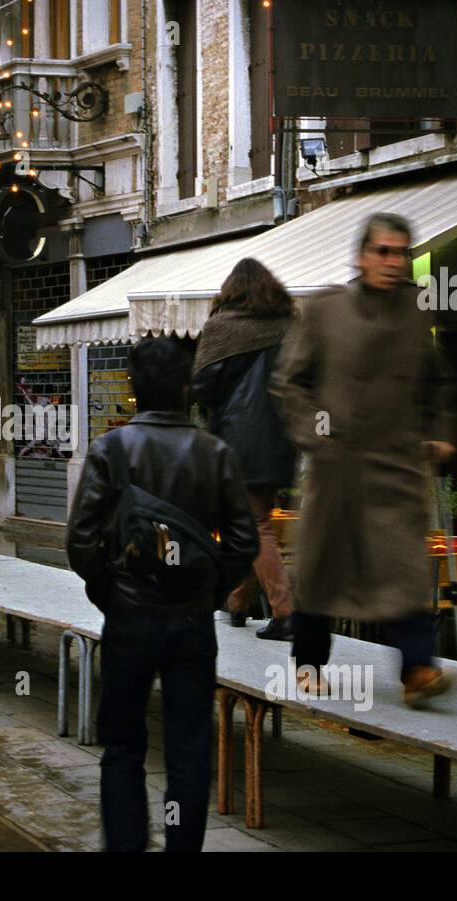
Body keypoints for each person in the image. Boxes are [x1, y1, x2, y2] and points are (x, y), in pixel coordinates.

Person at [67, 336, 258, 853]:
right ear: (186, 387)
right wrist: (210, 591)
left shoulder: (111, 449)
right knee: (188, 751)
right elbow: (245, 541)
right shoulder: (215, 453)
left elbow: (80, 540)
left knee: (124, 745)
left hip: (129, 619)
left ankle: (126, 845)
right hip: (192, 623)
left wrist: (111, 591)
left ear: (134, 389)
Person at [270, 212, 457, 707]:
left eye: (401, 253)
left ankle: (417, 669)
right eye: (383, 252)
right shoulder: (324, 310)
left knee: (403, 566)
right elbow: (291, 381)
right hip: (337, 465)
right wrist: (318, 433)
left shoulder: (418, 313)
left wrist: (437, 433)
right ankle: (308, 663)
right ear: (361, 255)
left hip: (396, 463)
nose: (393, 262)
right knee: (322, 567)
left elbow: (437, 383)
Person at [191, 257, 299, 639]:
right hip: (281, 440)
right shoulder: (289, 325)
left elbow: (202, 385)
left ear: (232, 289)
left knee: (255, 524)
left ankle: (286, 613)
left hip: (239, 439)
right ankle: (238, 602)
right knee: (248, 520)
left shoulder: (222, 327)